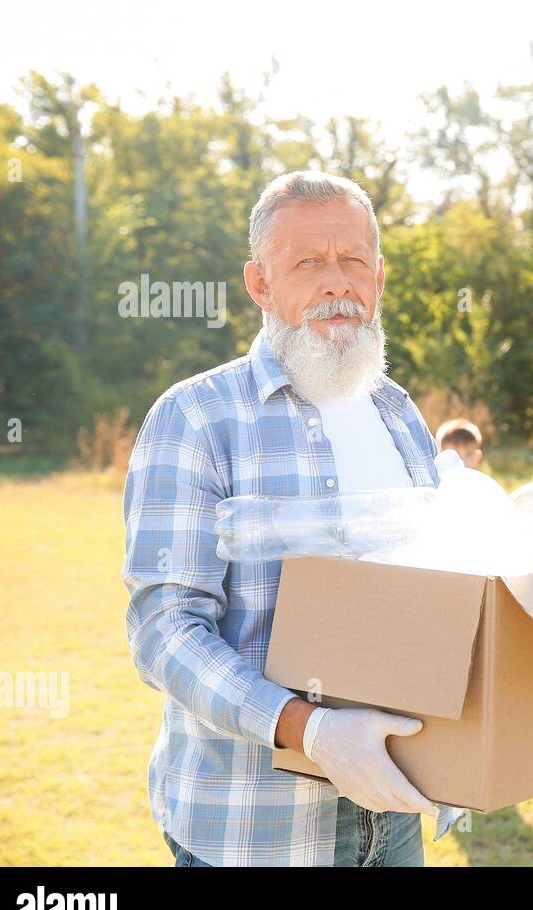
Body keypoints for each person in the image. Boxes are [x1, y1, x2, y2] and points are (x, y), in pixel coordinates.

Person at [123, 170, 442, 867]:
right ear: (260, 284)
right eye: (309, 263)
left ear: (380, 276)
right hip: (254, 832)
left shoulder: (401, 416)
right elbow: (163, 630)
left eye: (353, 260)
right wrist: (310, 731)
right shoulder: (196, 417)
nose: (337, 283)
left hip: (395, 814)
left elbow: (438, 591)